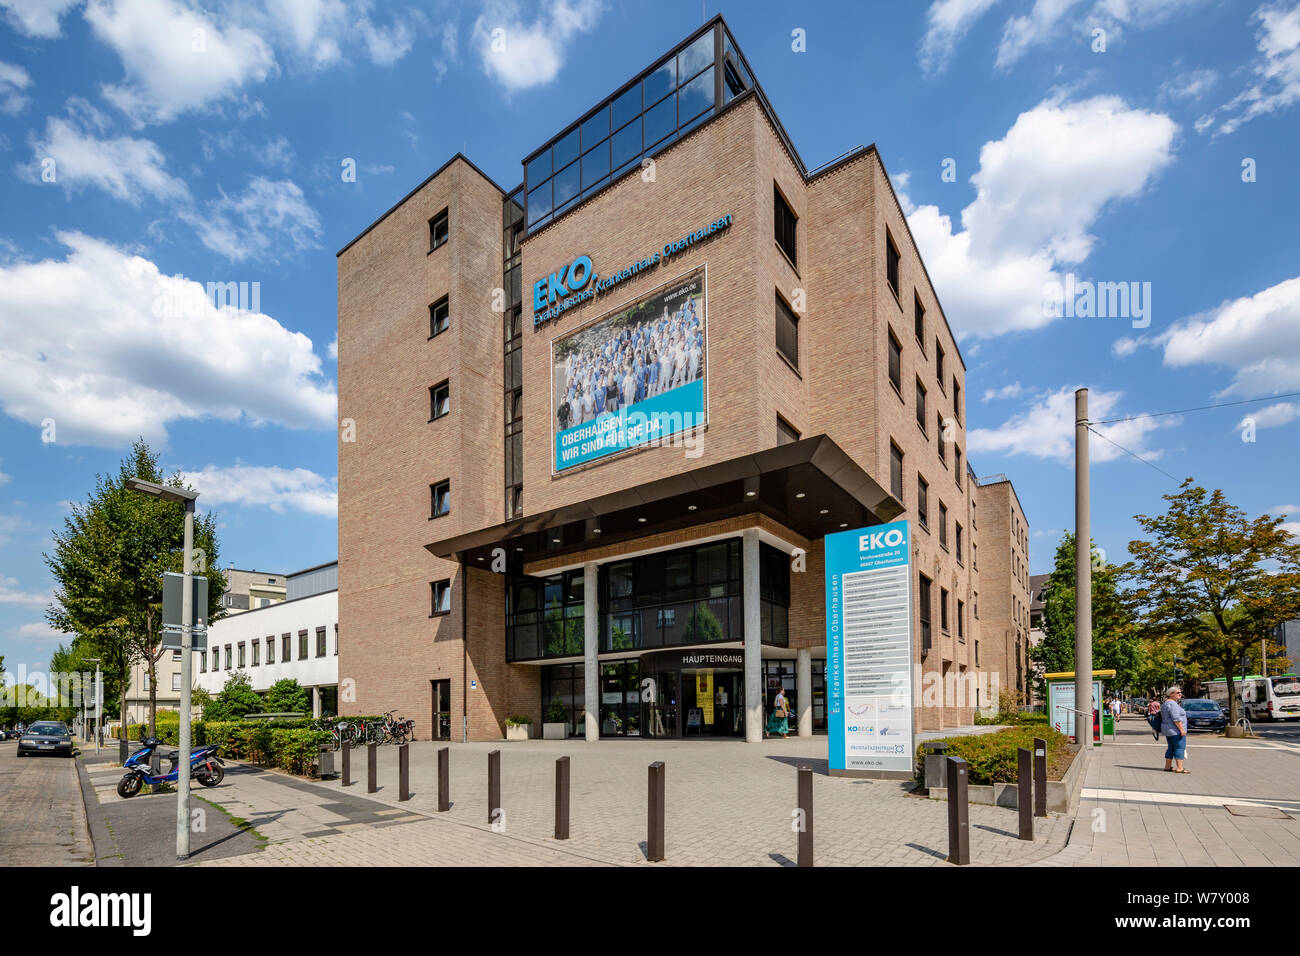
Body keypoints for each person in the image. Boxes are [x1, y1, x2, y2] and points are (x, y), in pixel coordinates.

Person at [1161, 686, 1189, 773]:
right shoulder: (1172, 704)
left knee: (1171, 748)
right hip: (1175, 730)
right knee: (1180, 747)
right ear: (1171, 694)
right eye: (1178, 693)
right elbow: (1176, 718)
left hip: (1168, 730)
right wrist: (1182, 730)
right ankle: (1180, 768)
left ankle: (1168, 766)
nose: (1180, 694)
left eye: (1180, 692)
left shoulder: (1165, 703)